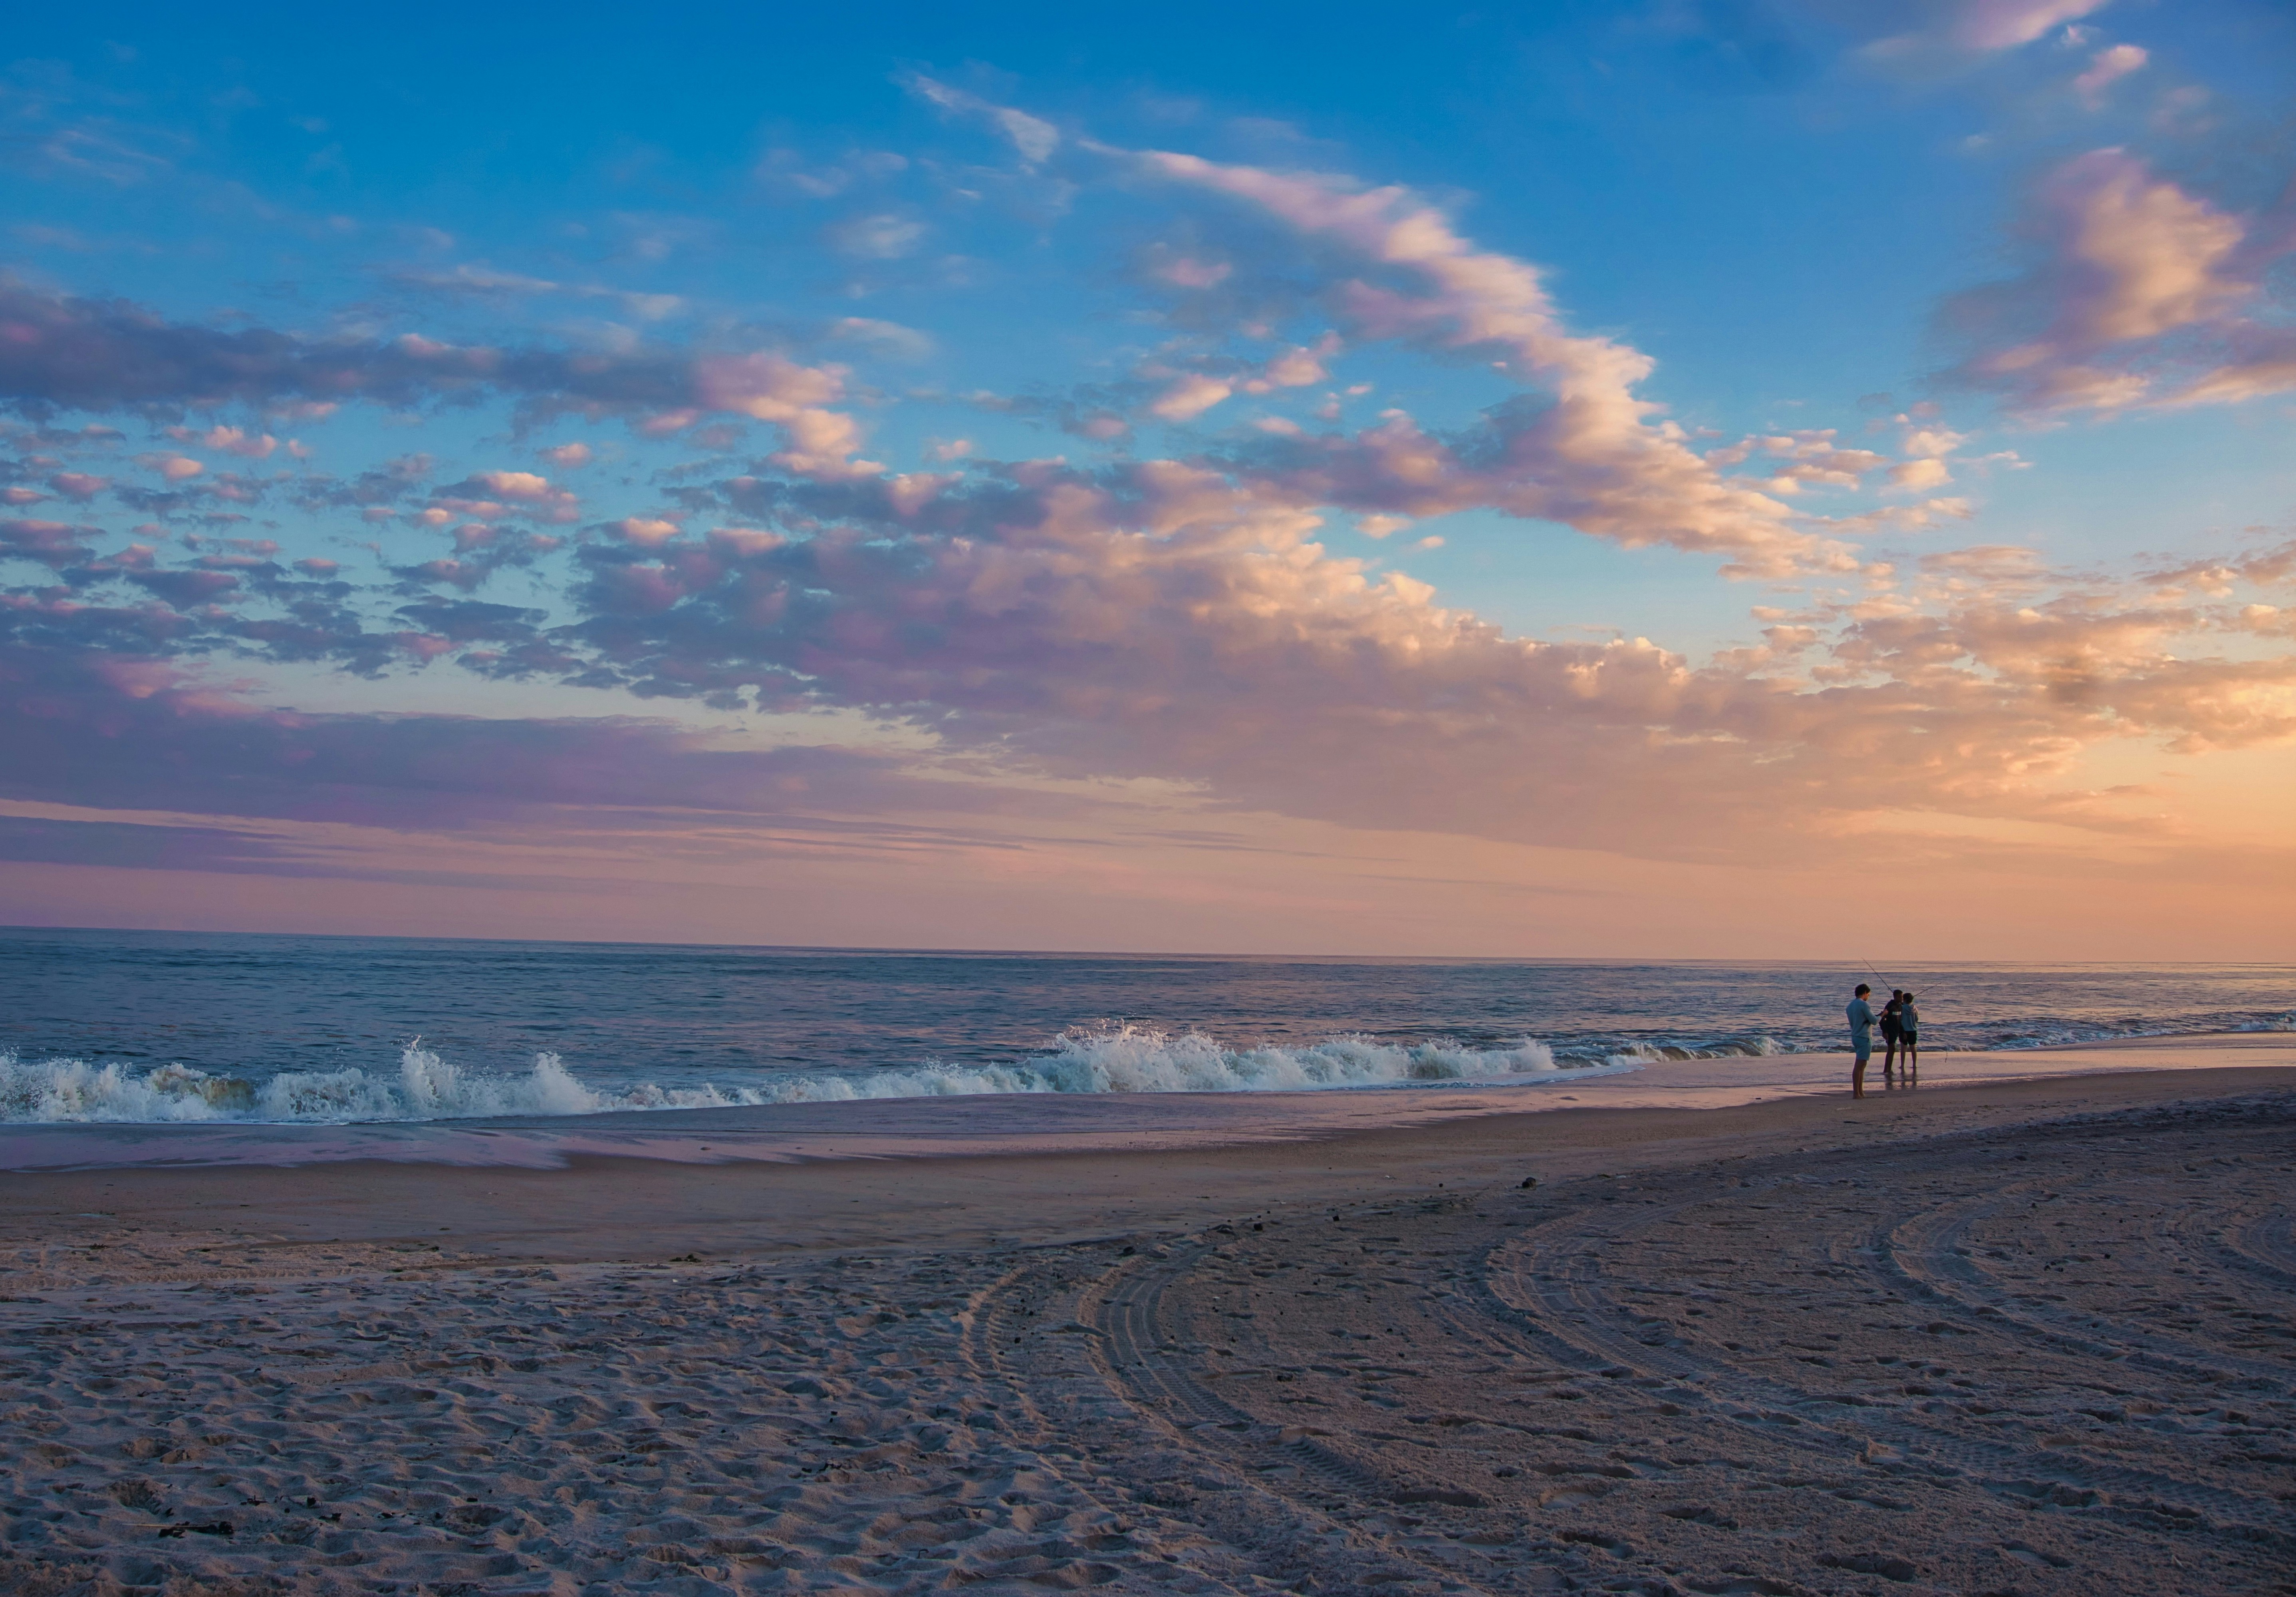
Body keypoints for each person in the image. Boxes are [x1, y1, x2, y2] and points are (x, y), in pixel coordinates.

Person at [1847, 983, 1878, 1098]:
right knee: (1860, 1065)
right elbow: (1874, 1021)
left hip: (1855, 1036)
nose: (1868, 997)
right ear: (1865, 992)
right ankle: (1857, 1093)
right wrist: (1883, 1015)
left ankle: (1860, 1091)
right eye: (1868, 994)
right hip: (1864, 1036)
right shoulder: (1864, 1004)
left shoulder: (1850, 1006)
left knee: (1862, 1064)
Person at [1879, 990, 1905, 1078]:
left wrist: (1903, 1032)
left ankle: (1887, 1069)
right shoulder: (1890, 1006)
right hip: (1889, 1031)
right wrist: (1885, 1032)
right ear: (1895, 997)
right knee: (1892, 1048)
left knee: (1891, 1050)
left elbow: (1901, 1020)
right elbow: (1882, 1019)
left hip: (1896, 1031)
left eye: (1902, 997)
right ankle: (1888, 1070)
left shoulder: (1901, 1007)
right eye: (1900, 997)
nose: (1902, 999)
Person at [1898, 991, 1920, 1077]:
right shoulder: (1915, 1008)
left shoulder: (1902, 1008)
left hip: (1904, 1030)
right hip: (1913, 1030)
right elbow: (1917, 1020)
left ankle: (1902, 1065)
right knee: (1913, 1048)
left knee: (1903, 1048)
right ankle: (1914, 1064)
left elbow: (1900, 1018)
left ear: (1905, 999)